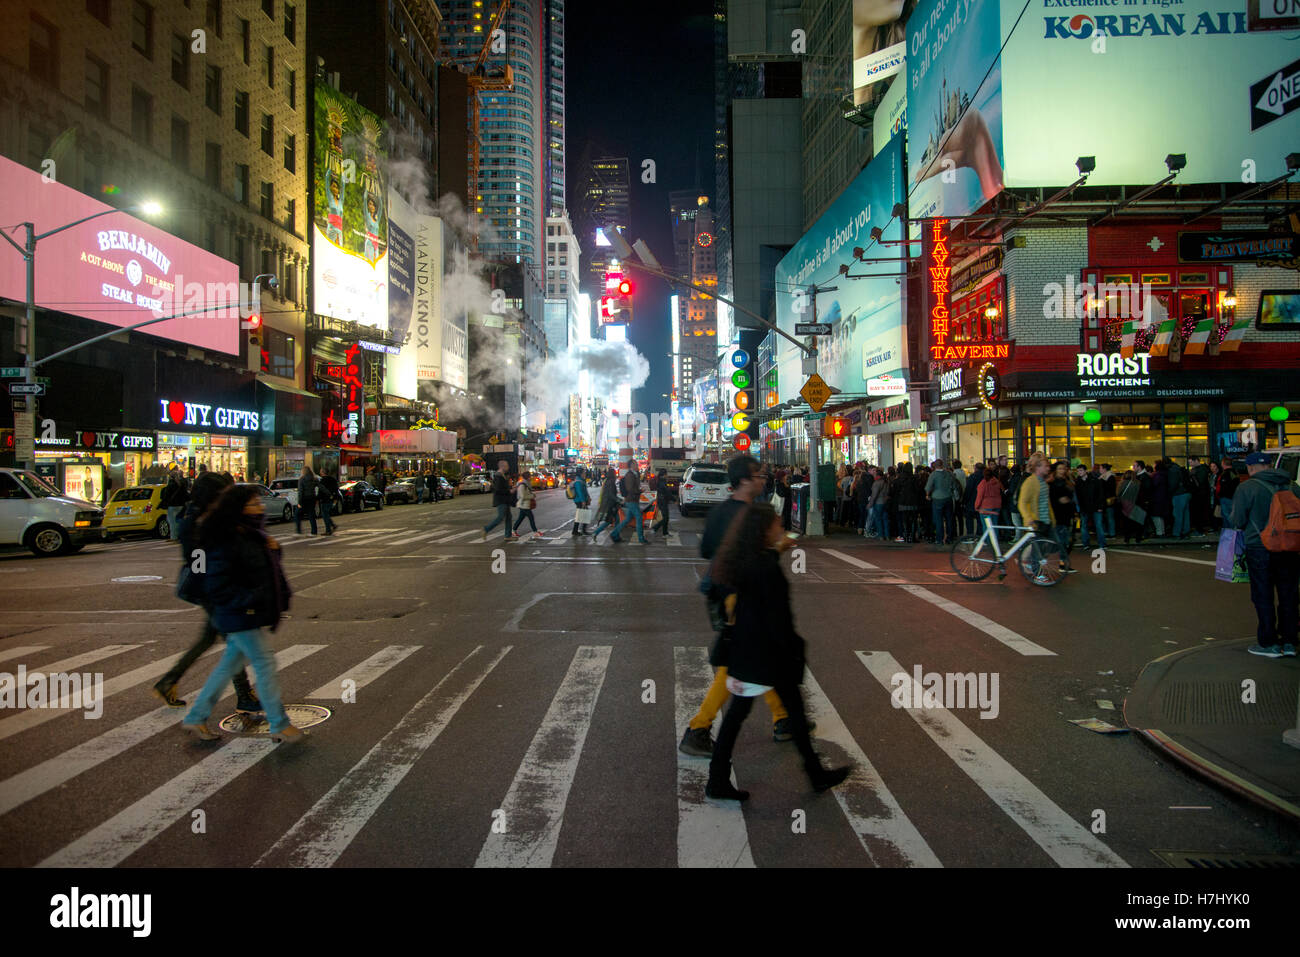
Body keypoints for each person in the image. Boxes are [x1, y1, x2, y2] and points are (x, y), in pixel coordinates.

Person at [705, 501, 851, 801]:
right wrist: (792, 650)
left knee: (754, 715)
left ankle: (720, 778)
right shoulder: (764, 567)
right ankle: (814, 774)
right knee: (780, 713)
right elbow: (777, 617)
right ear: (763, 529)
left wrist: (777, 551)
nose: (781, 527)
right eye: (776, 523)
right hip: (767, 654)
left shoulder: (747, 559)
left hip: (748, 651)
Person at [679, 456, 806, 757]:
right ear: (745, 480)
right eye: (758, 476)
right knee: (735, 665)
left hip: (725, 594)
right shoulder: (750, 516)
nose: (763, 480)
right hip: (741, 597)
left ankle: (783, 719)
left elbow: (707, 550)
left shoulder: (720, 512)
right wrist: (779, 545)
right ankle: (698, 728)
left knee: (761, 657)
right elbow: (758, 557)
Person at [180, 483, 304, 744]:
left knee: (228, 666)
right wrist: (249, 599)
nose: (261, 507)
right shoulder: (225, 537)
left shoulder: (250, 533)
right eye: (254, 503)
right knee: (265, 663)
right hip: (238, 612)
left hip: (243, 611)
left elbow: (260, 564)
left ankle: (197, 716)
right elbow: (214, 581)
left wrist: (273, 549)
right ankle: (279, 723)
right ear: (239, 508)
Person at [153, 472, 262, 713]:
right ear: (210, 496)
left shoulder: (206, 517)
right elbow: (198, 564)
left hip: (214, 588)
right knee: (234, 641)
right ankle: (244, 696)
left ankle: (168, 682)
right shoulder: (193, 524)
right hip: (210, 591)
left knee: (209, 639)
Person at [1228, 451, 1300, 658]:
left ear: (1250, 468)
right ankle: (1289, 641)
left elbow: (1237, 520)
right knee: (1289, 594)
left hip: (1260, 547)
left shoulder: (1247, 487)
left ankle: (1269, 643)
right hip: (1290, 547)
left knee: (1263, 594)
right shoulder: (1292, 486)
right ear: (1270, 465)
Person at [1017, 451, 1075, 578]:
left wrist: (1052, 518)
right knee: (1039, 549)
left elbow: (1046, 502)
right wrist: (1029, 518)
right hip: (1037, 522)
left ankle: (1028, 560)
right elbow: (1022, 502)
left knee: (1054, 545)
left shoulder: (1043, 482)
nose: (1048, 468)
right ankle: (1037, 574)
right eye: (1045, 466)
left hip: (1047, 521)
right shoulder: (1030, 482)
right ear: (1038, 467)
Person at [476, 463, 517, 542]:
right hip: (501, 500)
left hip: (505, 500)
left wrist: (511, 488)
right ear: (502, 466)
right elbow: (498, 489)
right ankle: (486, 529)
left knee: (508, 517)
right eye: (506, 466)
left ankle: (508, 536)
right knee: (500, 517)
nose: (508, 467)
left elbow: (503, 487)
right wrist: (510, 491)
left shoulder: (502, 475)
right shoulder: (498, 476)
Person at [611, 459, 648, 544]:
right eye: (635, 464)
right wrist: (640, 491)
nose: (637, 465)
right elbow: (630, 489)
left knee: (627, 519)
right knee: (639, 518)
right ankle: (641, 538)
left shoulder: (635, 474)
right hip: (631, 500)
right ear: (631, 465)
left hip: (633, 499)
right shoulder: (629, 475)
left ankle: (614, 533)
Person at [924, 459, 959, 546]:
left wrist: (927, 495)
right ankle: (949, 538)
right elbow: (954, 485)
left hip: (937, 499)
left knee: (938, 519)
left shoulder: (933, 475)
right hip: (948, 498)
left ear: (935, 466)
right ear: (942, 465)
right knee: (949, 519)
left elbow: (928, 487)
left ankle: (939, 539)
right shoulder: (949, 473)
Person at [1075, 464, 1106, 550]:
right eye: (1078, 471)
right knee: (1086, 526)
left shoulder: (1094, 480)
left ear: (1085, 471)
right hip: (1085, 507)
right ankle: (1087, 544)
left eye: (1081, 470)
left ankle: (1101, 544)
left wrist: (1100, 506)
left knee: (1097, 525)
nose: (1079, 472)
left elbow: (1100, 494)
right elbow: (1078, 496)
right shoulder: (1078, 482)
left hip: (1094, 506)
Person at [1049, 461, 1077, 554]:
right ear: (1056, 470)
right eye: (1060, 469)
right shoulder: (1052, 482)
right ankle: (1063, 557)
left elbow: (1072, 495)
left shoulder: (1067, 481)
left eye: (1064, 469)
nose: (1062, 471)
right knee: (1061, 536)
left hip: (1067, 512)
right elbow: (1051, 498)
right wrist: (1059, 500)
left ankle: (1063, 556)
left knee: (1066, 536)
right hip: (1058, 512)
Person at [590, 467, 621, 542]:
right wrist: (619, 500)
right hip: (610, 505)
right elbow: (611, 494)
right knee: (610, 521)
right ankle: (614, 535)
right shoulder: (611, 482)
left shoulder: (607, 481)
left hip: (609, 504)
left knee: (614, 520)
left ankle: (615, 536)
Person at [893, 462, 920, 542]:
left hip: (902, 501)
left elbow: (895, 490)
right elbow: (917, 490)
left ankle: (906, 535)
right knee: (913, 520)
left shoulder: (900, 479)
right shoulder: (914, 478)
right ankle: (912, 537)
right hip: (913, 501)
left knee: (904, 520)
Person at [1117, 469, 1144, 544]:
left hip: (1125, 506)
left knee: (1126, 523)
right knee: (1137, 523)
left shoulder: (1121, 483)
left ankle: (1127, 539)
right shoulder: (1138, 483)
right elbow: (1141, 495)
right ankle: (1138, 538)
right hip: (1136, 505)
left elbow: (1118, 495)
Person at [161, 471, 188, 542]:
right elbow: (185, 494)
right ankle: (180, 536)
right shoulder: (181, 484)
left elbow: (166, 495)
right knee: (178, 521)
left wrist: (164, 503)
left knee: (172, 522)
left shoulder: (171, 484)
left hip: (172, 505)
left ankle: (174, 537)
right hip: (181, 505)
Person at [513, 471, 541, 538]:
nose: (531, 477)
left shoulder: (526, 484)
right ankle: (535, 532)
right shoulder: (522, 485)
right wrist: (532, 496)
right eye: (530, 476)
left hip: (525, 504)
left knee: (520, 518)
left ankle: (513, 530)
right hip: (523, 505)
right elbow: (522, 496)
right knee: (531, 518)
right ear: (528, 477)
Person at [1168, 456, 1190, 539]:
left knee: (1178, 515)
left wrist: (1170, 492)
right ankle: (1185, 531)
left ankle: (1177, 533)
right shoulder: (1178, 468)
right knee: (1185, 514)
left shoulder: (1172, 470)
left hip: (1178, 494)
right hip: (1186, 493)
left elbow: (1173, 484)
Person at [1216, 458, 1239, 531]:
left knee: (1227, 515)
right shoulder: (1235, 472)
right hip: (1232, 496)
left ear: (1223, 464)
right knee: (1228, 515)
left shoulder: (1226, 473)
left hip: (1226, 497)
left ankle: (1230, 532)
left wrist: (1219, 493)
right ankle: (1230, 531)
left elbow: (1224, 486)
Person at [296, 465, 320, 535]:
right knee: (311, 515)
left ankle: (298, 530)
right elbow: (321, 487)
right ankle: (314, 531)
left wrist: (299, 502)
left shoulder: (302, 479)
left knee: (297, 514)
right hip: (312, 498)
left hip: (304, 499)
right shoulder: (314, 479)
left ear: (303, 471)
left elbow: (300, 492)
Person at [570, 469, 592, 537]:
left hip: (581, 500)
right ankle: (579, 531)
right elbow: (580, 492)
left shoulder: (581, 480)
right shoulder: (578, 481)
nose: (585, 474)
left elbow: (584, 491)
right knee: (582, 515)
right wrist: (583, 501)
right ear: (580, 474)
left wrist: (588, 497)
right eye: (584, 473)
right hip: (579, 501)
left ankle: (578, 530)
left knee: (583, 515)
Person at [651, 468, 671, 539]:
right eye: (666, 474)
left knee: (666, 517)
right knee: (665, 518)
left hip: (661, 500)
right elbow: (667, 492)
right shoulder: (662, 482)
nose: (667, 475)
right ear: (664, 475)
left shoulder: (660, 480)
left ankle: (664, 533)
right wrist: (673, 499)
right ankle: (656, 528)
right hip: (663, 501)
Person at [317, 469, 338, 535]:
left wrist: (317, 499)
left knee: (325, 515)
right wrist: (335, 498)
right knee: (326, 514)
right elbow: (336, 489)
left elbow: (321, 490)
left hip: (325, 499)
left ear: (323, 472)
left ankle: (328, 530)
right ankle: (333, 525)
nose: (320, 472)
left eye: (321, 471)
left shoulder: (322, 480)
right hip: (331, 499)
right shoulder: (333, 479)